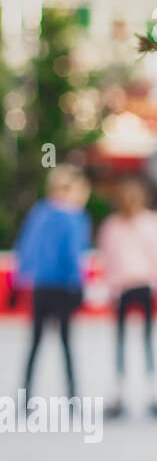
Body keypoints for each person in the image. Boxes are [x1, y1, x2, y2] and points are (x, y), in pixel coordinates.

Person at [98, 178, 157, 418]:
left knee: (146, 340)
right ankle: (120, 393)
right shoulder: (114, 226)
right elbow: (109, 257)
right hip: (123, 287)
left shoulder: (150, 223)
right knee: (122, 342)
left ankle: (152, 393)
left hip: (144, 285)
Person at [14, 165, 91, 404]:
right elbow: (73, 255)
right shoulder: (75, 217)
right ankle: (71, 395)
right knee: (66, 342)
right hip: (64, 287)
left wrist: (18, 281)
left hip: (41, 286)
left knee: (36, 341)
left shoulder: (40, 212)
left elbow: (25, 247)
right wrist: (78, 285)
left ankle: (25, 394)